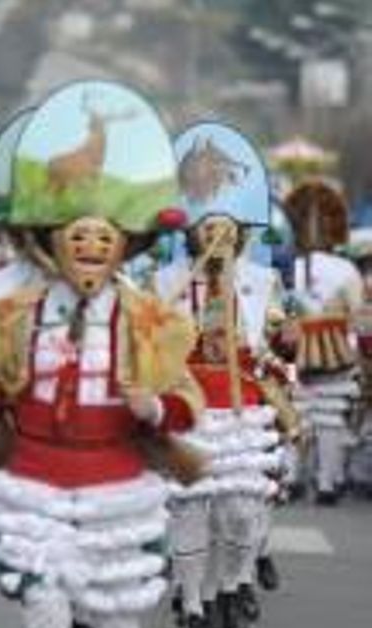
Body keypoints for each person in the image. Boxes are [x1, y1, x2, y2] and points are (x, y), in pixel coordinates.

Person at [0, 81, 200, 628]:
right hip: (36, 482)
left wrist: (152, 409)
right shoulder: (10, 313)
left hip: (118, 486)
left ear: (124, 248)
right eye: (76, 239)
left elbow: (186, 403)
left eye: (102, 240)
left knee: (113, 616)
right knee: (45, 609)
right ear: (52, 242)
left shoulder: (151, 319)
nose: (88, 250)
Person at [153, 122, 298, 628]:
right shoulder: (166, 281)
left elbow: (278, 337)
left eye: (226, 229)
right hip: (190, 405)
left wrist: (287, 339)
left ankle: (232, 585)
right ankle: (193, 603)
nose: (217, 237)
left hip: (243, 409)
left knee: (239, 511)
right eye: (207, 229)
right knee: (192, 509)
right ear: (191, 232)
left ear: (241, 233)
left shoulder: (263, 282)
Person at [282, 181, 362, 506]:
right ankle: (327, 482)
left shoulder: (288, 267)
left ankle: (290, 476)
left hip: (293, 353)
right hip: (336, 355)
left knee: (294, 415)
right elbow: (358, 318)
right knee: (330, 420)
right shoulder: (347, 270)